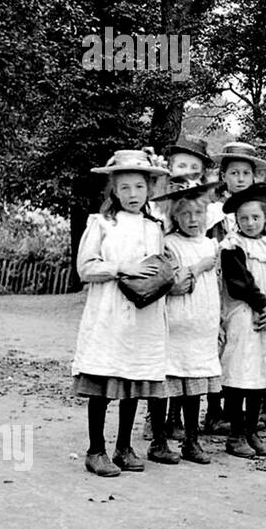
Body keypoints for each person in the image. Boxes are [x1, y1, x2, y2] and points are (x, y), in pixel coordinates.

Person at [73, 150, 172, 477]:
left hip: (143, 313)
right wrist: (119, 269)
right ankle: (96, 449)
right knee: (103, 378)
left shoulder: (154, 226)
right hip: (110, 311)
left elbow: (157, 266)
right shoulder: (101, 224)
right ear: (113, 190)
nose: (133, 195)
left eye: (139, 187)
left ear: (149, 189)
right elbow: (85, 268)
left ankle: (124, 446)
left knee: (133, 376)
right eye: (125, 187)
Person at [217, 183, 266, 458]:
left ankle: (252, 431)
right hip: (242, 315)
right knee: (241, 373)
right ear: (236, 221)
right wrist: (263, 307)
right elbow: (240, 284)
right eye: (244, 218)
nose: (250, 223)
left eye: (255, 217)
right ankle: (235, 434)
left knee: (261, 373)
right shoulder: (232, 246)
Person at [153, 177, 224, 464]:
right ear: (175, 216)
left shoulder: (210, 244)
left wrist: (219, 321)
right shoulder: (170, 244)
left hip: (202, 326)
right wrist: (198, 268)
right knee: (168, 384)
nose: (193, 219)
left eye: (198, 214)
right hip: (176, 324)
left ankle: (192, 441)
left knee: (195, 385)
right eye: (185, 214)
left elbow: (217, 287)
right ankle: (159, 440)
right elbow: (175, 283)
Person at [207, 142, 264, 240]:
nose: (241, 179)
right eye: (234, 173)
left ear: (253, 176)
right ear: (224, 176)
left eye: (246, 173)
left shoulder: (262, 209)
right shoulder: (214, 211)